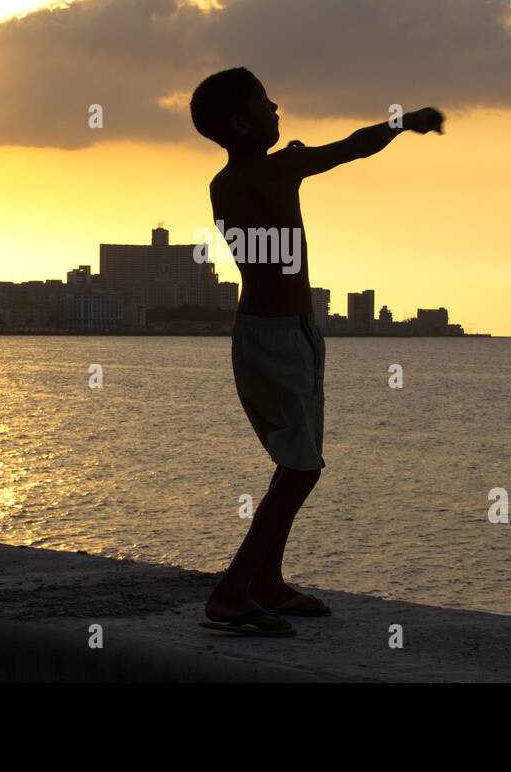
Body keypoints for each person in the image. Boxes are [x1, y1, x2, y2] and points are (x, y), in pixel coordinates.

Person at [188, 66, 444, 635]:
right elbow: (355, 146)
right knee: (301, 469)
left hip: (258, 333)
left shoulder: (223, 183)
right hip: (285, 336)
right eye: (265, 101)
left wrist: (287, 160)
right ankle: (232, 590)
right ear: (241, 121)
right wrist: (407, 122)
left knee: (293, 462)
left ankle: (268, 584)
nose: (277, 106)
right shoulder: (279, 169)